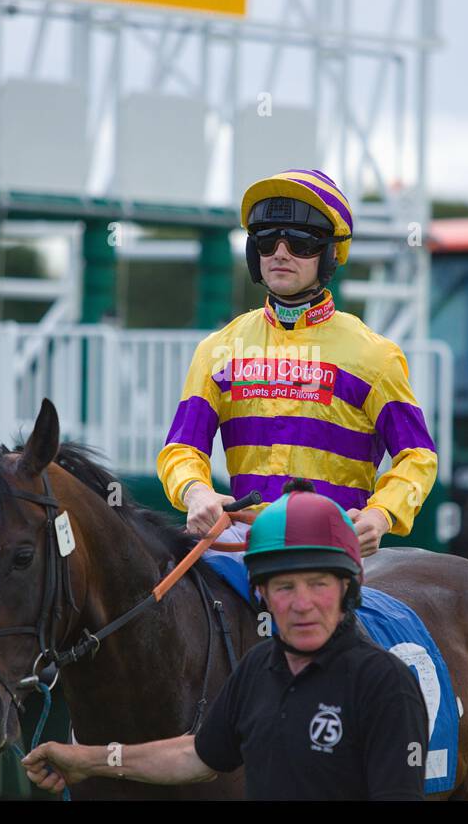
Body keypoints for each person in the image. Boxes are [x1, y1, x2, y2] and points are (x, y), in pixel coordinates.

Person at [21, 482, 429, 799]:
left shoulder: (385, 685)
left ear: (348, 587)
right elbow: (196, 755)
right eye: (284, 587)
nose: (302, 604)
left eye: (318, 584)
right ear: (262, 595)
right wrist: (85, 760)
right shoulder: (256, 669)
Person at [157, 168, 438, 557]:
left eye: (301, 243)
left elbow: (417, 455)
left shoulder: (376, 356)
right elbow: (181, 449)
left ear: (330, 254)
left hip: (333, 552)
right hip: (244, 548)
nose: (281, 253)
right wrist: (196, 491)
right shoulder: (217, 349)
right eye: (268, 241)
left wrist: (381, 514)